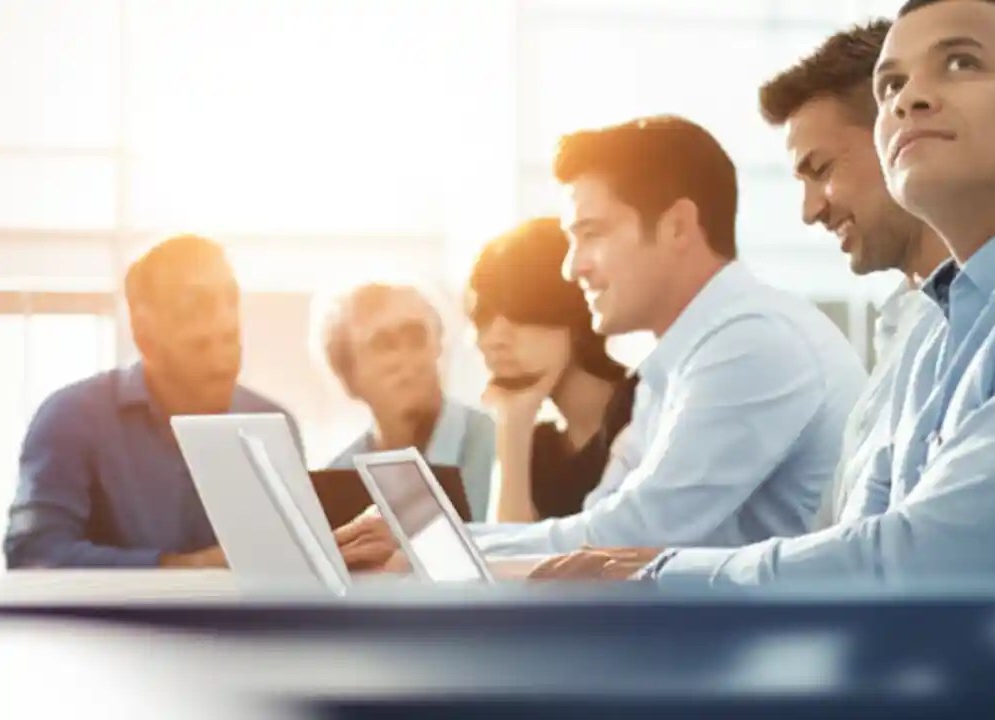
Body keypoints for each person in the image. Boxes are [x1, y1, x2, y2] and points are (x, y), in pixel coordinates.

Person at [538, 0, 995, 587]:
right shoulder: (944, 321)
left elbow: (938, 570)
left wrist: (660, 574)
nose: (909, 98)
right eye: (890, 85)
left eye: (960, 63)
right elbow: (863, 546)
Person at [335, 116, 864, 568]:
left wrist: (430, 544)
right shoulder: (672, 367)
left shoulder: (752, 344)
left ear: (678, 227)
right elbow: (599, 525)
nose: (572, 267)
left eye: (592, 234)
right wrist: (427, 541)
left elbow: (626, 538)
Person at [752, 19, 951, 531]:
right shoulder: (905, 324)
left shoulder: (987, 321)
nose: (810, 211)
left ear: (897, 138)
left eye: (821, 170)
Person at [3, 235, 294, 569]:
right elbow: (33, 553)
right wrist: (182, 568)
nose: (222, 361)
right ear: (144, 336)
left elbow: (291, 559)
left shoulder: (273, 424)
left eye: (230, 339)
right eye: (200, 344)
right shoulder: (70, 418)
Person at [469, 218, 637, 523]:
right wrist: (512, 425)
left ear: (570, 310)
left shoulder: (646, 408)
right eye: (483, 318)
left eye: (517, 313)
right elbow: (509, 547)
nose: (494, 339)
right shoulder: (541, 446)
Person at [317, 283, 496, 520]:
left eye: (416, 337)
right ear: (347, 375)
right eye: (382, 344)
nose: (404, 357)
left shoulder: (499, 445)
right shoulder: (337, 481)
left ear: (439, 346)